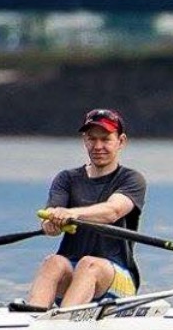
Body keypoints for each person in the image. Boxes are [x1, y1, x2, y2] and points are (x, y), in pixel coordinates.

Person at [16, 107, 148, 312]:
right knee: (53, 262)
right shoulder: (66, 179)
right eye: (91, 139)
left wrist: (72, 213)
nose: (98, 146)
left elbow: (112, 211)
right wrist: (51, 223)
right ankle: (32, 318)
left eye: (105, 139)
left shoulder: (131, 179)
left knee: (89, 264)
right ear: (84, 140)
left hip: (116, 280)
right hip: (72, 278)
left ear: (121, 141)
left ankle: (63, 322)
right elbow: (51, 218)